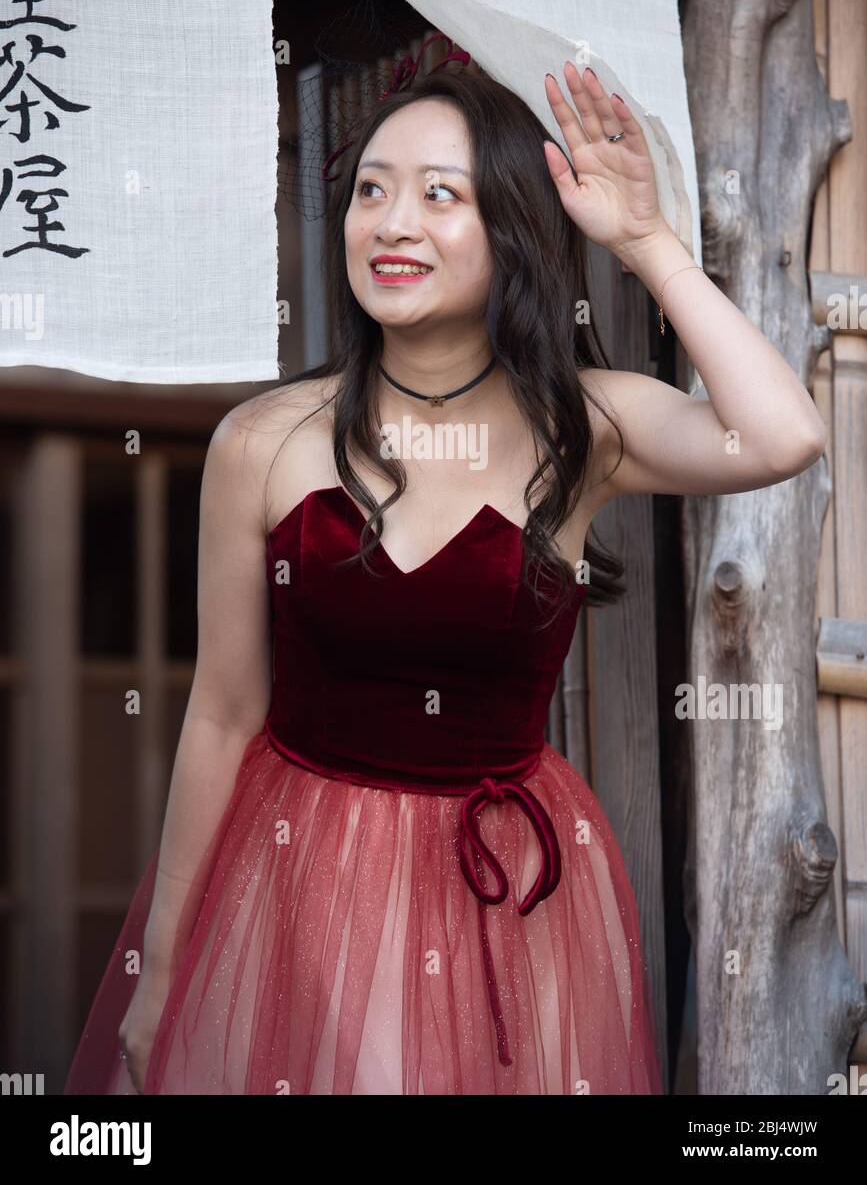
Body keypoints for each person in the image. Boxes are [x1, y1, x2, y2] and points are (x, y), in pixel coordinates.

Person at [63, 60, 826, 1096]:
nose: (391, 223)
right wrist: (159, 971)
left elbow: (782, 433)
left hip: (507, 888)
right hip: (303, 871)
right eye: (371, 190)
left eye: (438, 194)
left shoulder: (583, 428)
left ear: (511, 230)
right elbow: (221, 711)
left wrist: (648, 245)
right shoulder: (263, 440)